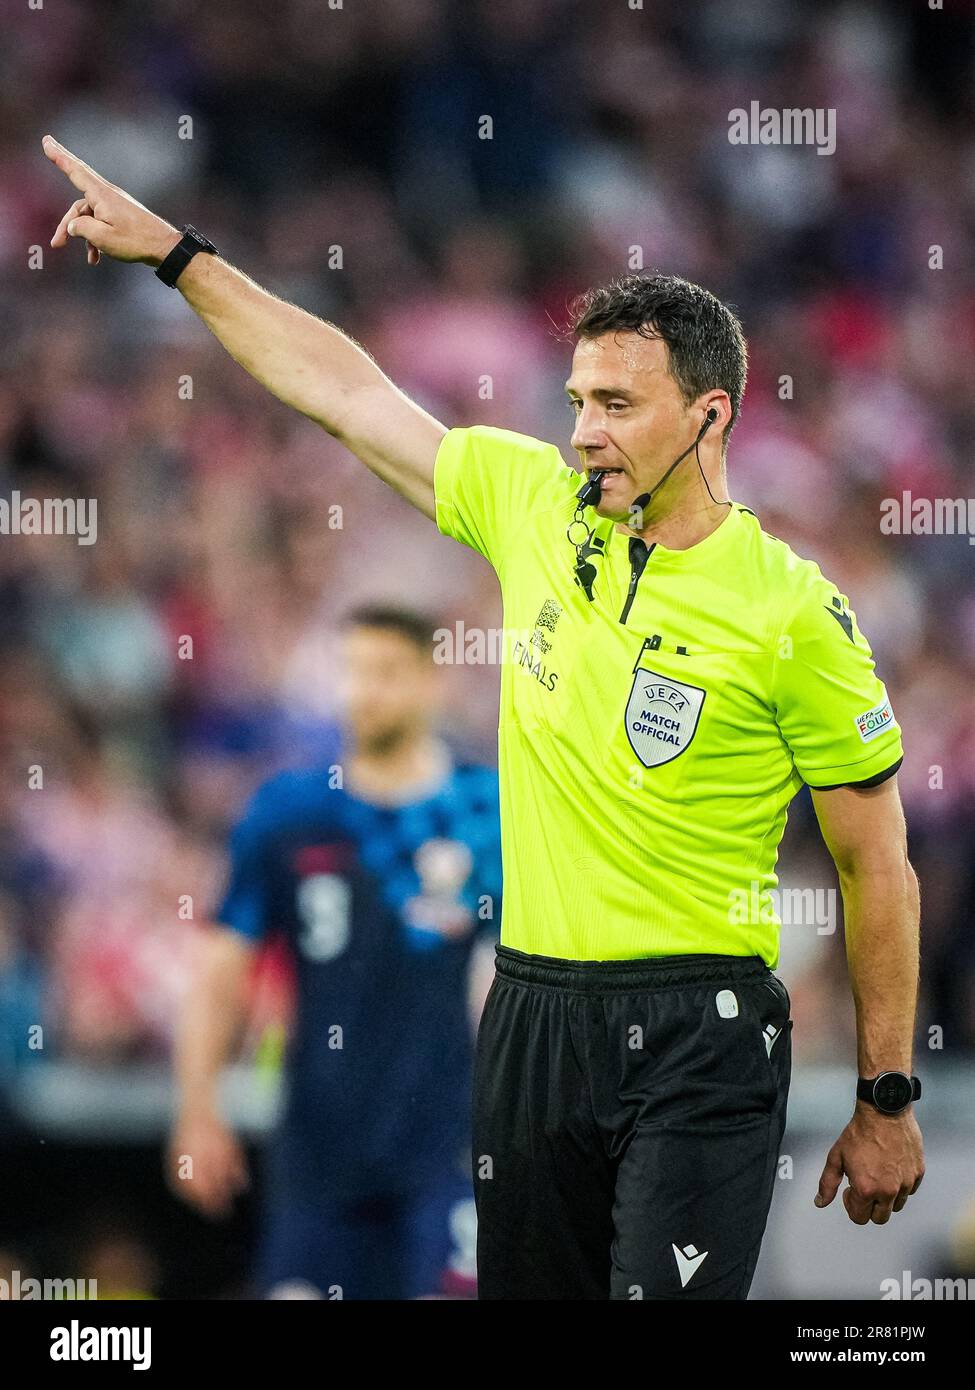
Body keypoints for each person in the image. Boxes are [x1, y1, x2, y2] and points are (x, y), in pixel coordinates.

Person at [45, 136, 924, 1301]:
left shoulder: (796, 614)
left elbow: (879, 868)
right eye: (575, 401)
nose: (581, 432)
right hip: (530, 1022)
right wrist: (178, 256)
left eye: (615, 405)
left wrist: (885, 1095)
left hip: (701, 1032)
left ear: (710, 416)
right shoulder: (532, 507)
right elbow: (344, 390)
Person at [167, 605, 502, 1299]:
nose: (363, 692)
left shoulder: (484, 813)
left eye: (385, 673)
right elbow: (223, 966)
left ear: (432, 682)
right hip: (317, 1150)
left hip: (444, 1149)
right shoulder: (290, 811)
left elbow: (526, 972)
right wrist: (198, 1107)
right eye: (351, 672)